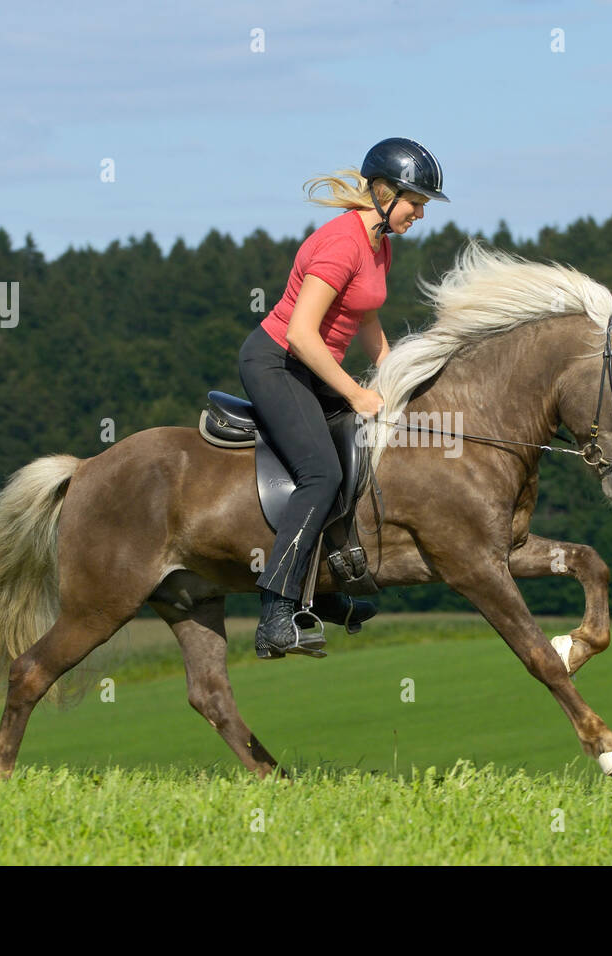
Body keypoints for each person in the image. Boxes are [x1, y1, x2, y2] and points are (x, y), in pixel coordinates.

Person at [239, 137, 450, 659]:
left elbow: (366, 316)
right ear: (382, 192)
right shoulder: (340, 244)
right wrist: (356, 393)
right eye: (415, 203)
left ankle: (329, 591)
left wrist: (395, 377)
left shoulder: (379, 244)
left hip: (314, 370)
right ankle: (275, 613)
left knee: (364, 456)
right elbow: (302, 336)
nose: (420, 215)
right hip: (279, 364)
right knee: (322, 474)